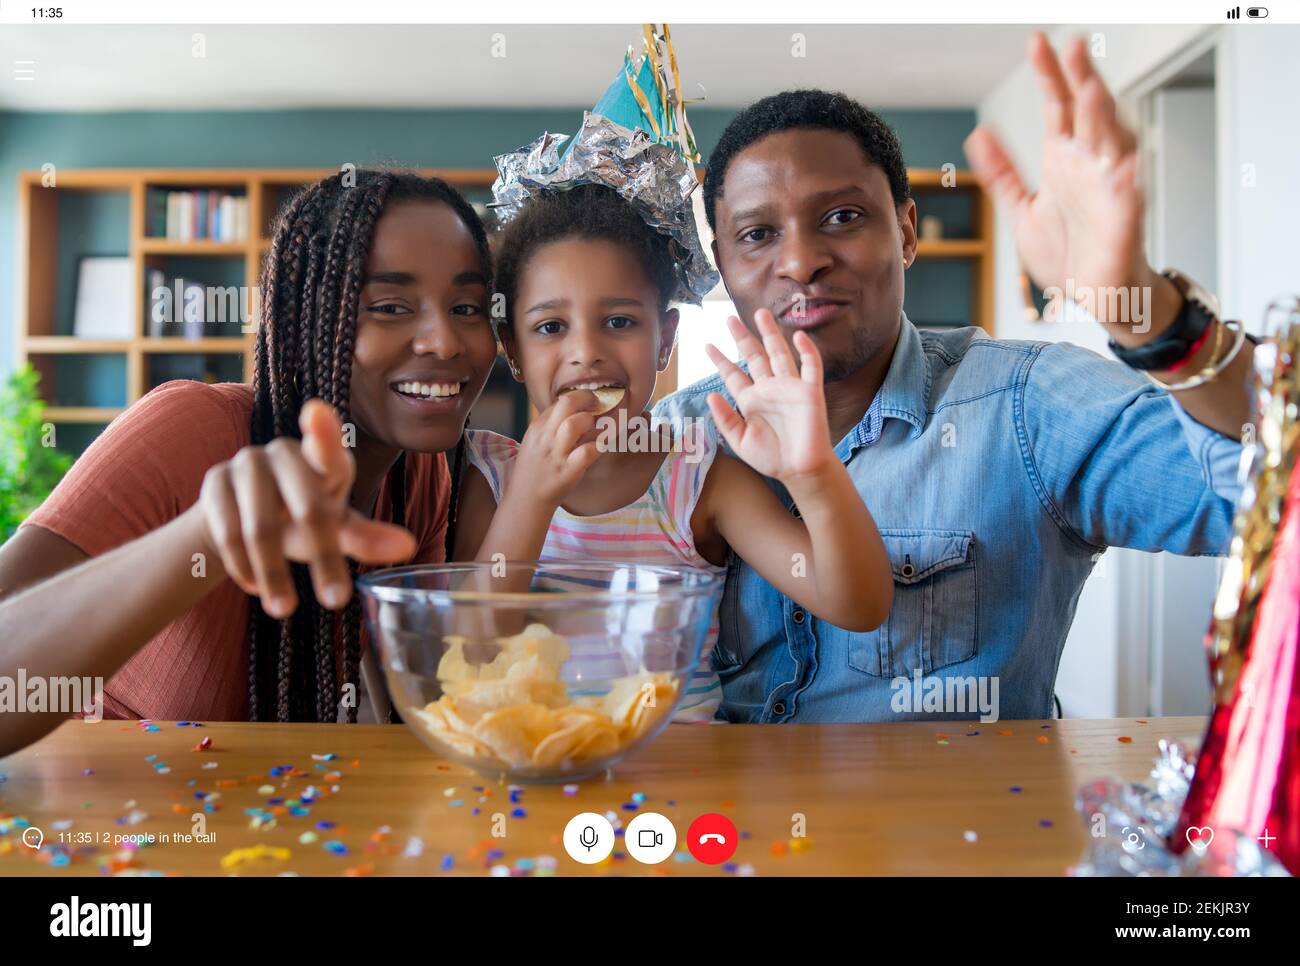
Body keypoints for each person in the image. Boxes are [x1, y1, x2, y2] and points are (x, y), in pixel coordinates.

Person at [653, 33, 1249, 722]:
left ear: (906, 232)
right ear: (723, 266)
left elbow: (1263, 495)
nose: (802, 261)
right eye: (758, 234)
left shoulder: (1024, 408)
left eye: (842, 217)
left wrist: (1148, 310)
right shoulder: (678, 440)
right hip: (728, 830)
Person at [0, 170, 498, 754]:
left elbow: (439, 694)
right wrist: (206, 536)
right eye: (389, 306)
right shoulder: (188, 430)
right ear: (305, 320)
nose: (445, 341)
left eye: (468, 306)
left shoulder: (420, 479)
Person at [452, 183, 891, 720]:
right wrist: (532, 500)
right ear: (514, 351)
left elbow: (858, 604)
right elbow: (469, 653)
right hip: (530, 779)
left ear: (664, 340)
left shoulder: (700, 478)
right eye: (550, 327)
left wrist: (813, 472)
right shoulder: (493, 476)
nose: (586, 352)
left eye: (619, 322)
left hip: (680, 778)